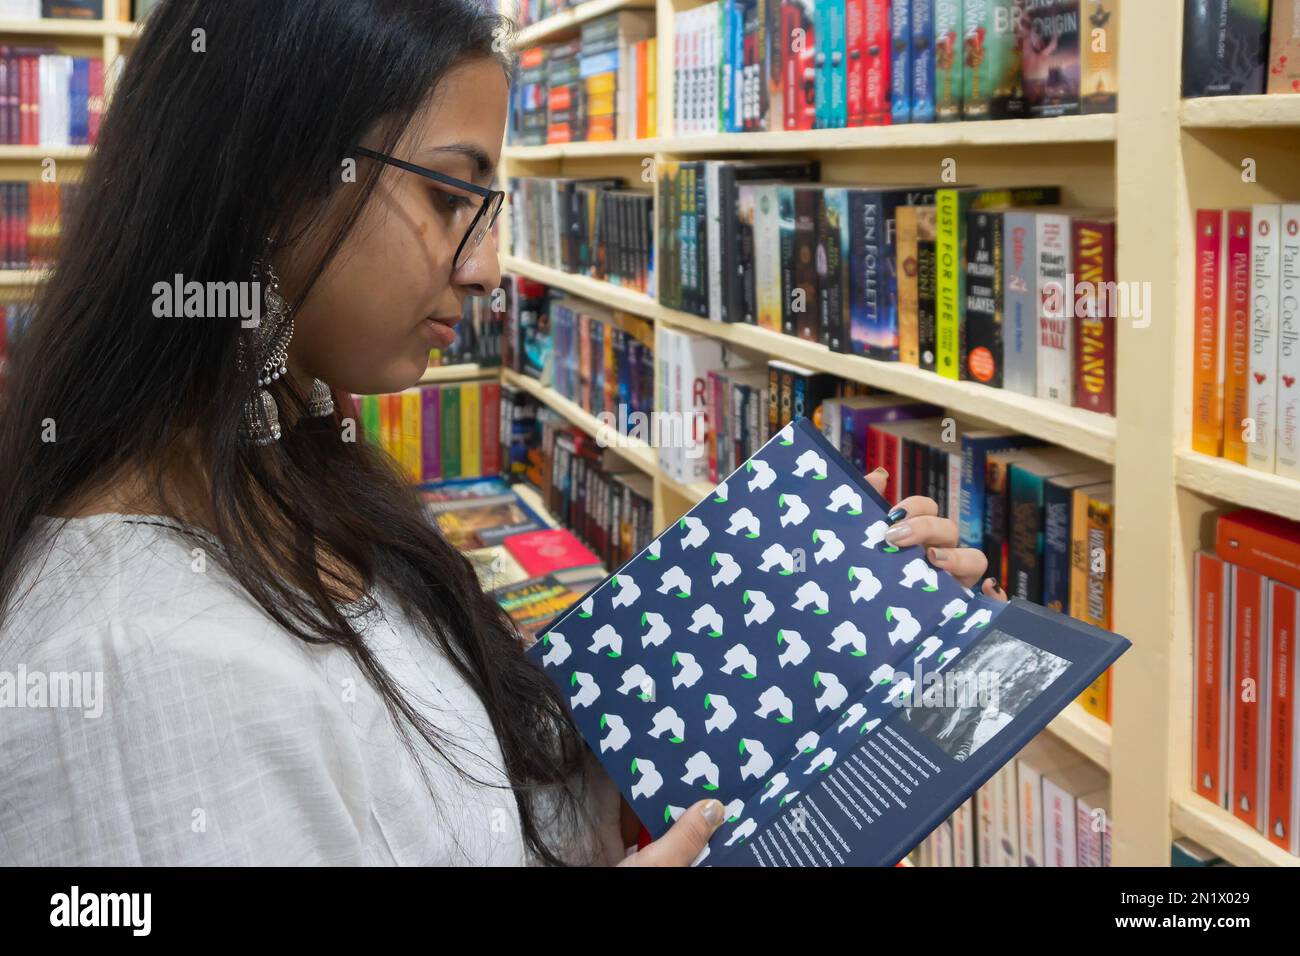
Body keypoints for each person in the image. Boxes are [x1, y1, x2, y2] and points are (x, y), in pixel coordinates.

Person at [0, 0, 1000, 866]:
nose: (486, 269)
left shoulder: (297, 466)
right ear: (270, 181)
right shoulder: (128, 666)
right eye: (447, 197)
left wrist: (845, 645)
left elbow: (474, 808)